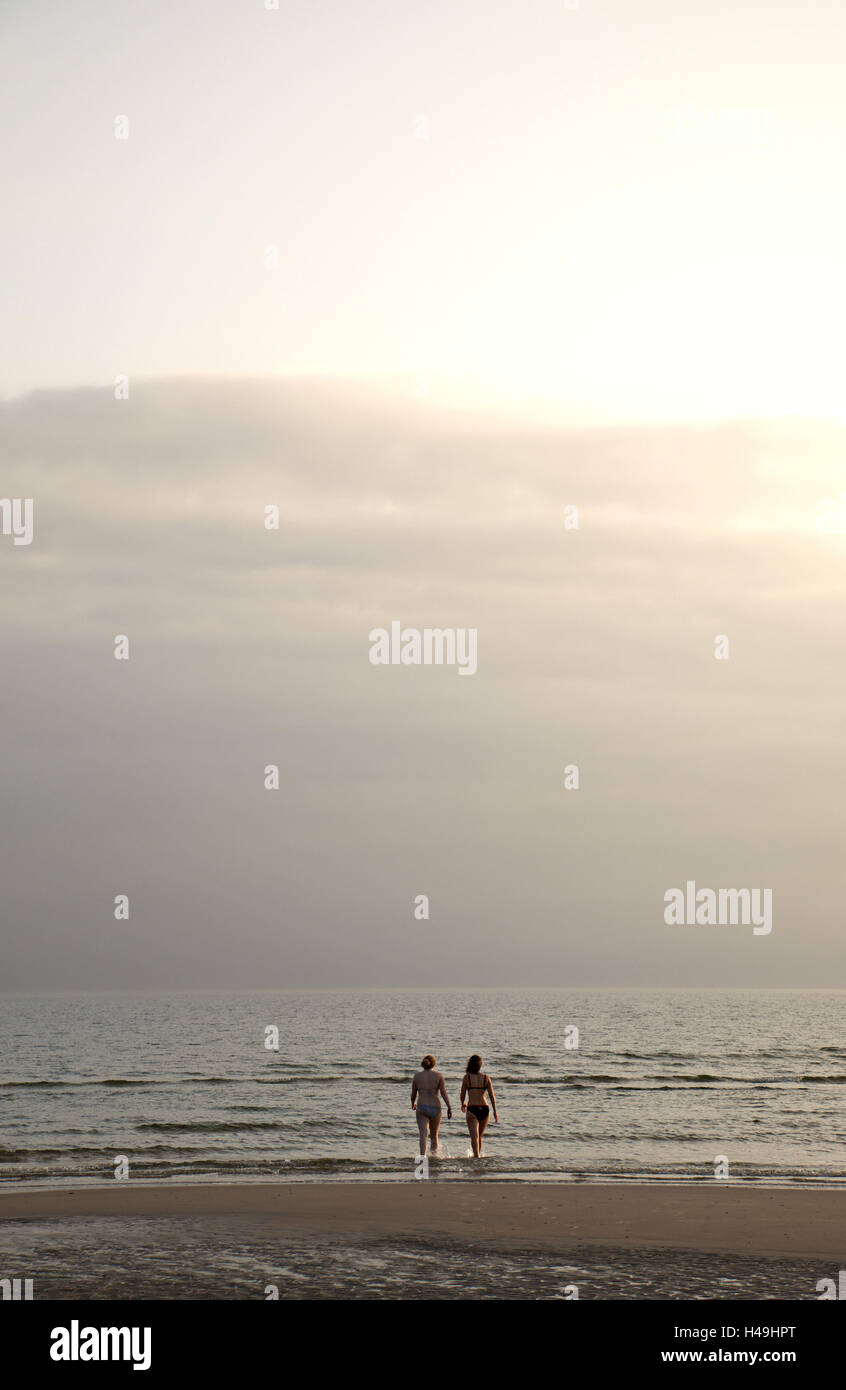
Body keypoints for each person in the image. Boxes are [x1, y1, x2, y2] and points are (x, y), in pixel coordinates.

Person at [411, 1054, 451, 1156]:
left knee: (423, 1135)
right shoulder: (439, 1076)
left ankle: (422, 1158)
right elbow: (443, 1093)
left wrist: (413, 1103)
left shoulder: (417, 1076)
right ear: (434, 1063)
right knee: (434, 1136)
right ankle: (434, 1159)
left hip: (422, 1107)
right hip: (436, 1108)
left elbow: (413, 1094)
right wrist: (449, 1107)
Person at [460, 1054, 497, 1158]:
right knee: (479, 1136)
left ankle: (476, 1157)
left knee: (474, 1137)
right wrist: (494, 1111)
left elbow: (462, 1093)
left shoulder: (467, 1078)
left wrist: (462, 1103)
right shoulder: (486, 1078)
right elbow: (492, 1096)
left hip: (472, 1108)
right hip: (485, 1109)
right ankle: (478, 1157)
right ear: (480, 1065)